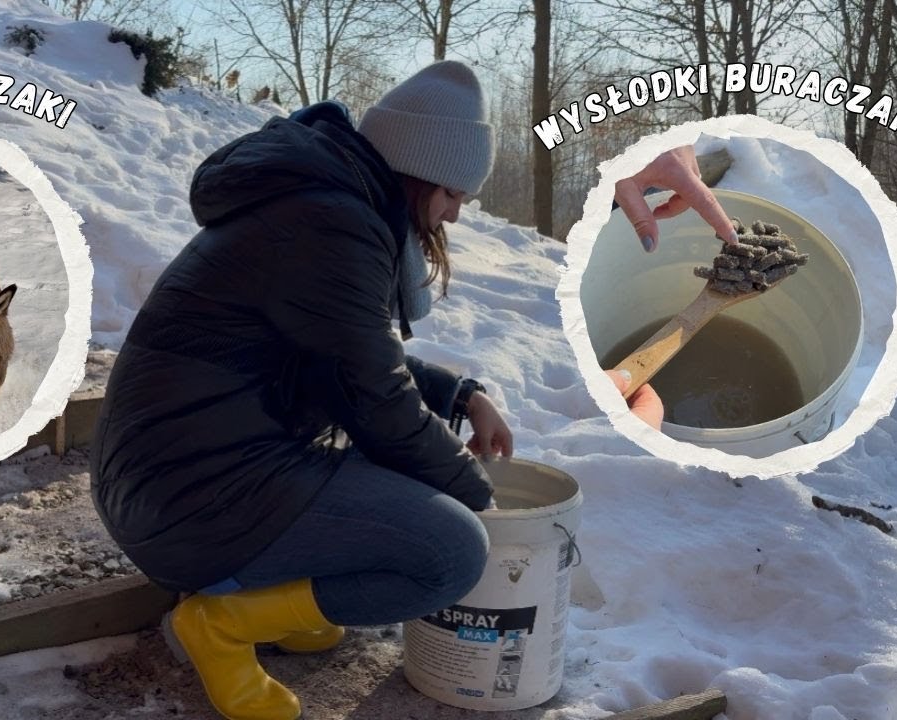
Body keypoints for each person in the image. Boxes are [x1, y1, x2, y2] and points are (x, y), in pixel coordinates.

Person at [90, 61, 731, 720]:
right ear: (419, 172)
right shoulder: (331, 226)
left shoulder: (321, 204)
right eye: (454, 193)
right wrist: (472, 492)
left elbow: (345, 356)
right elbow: (372, 392)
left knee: (410, 475)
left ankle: (277, 603)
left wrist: (461, 396)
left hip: (174, 472)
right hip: (184, 499)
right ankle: (222, 625)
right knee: (449, 551)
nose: (454, 212)